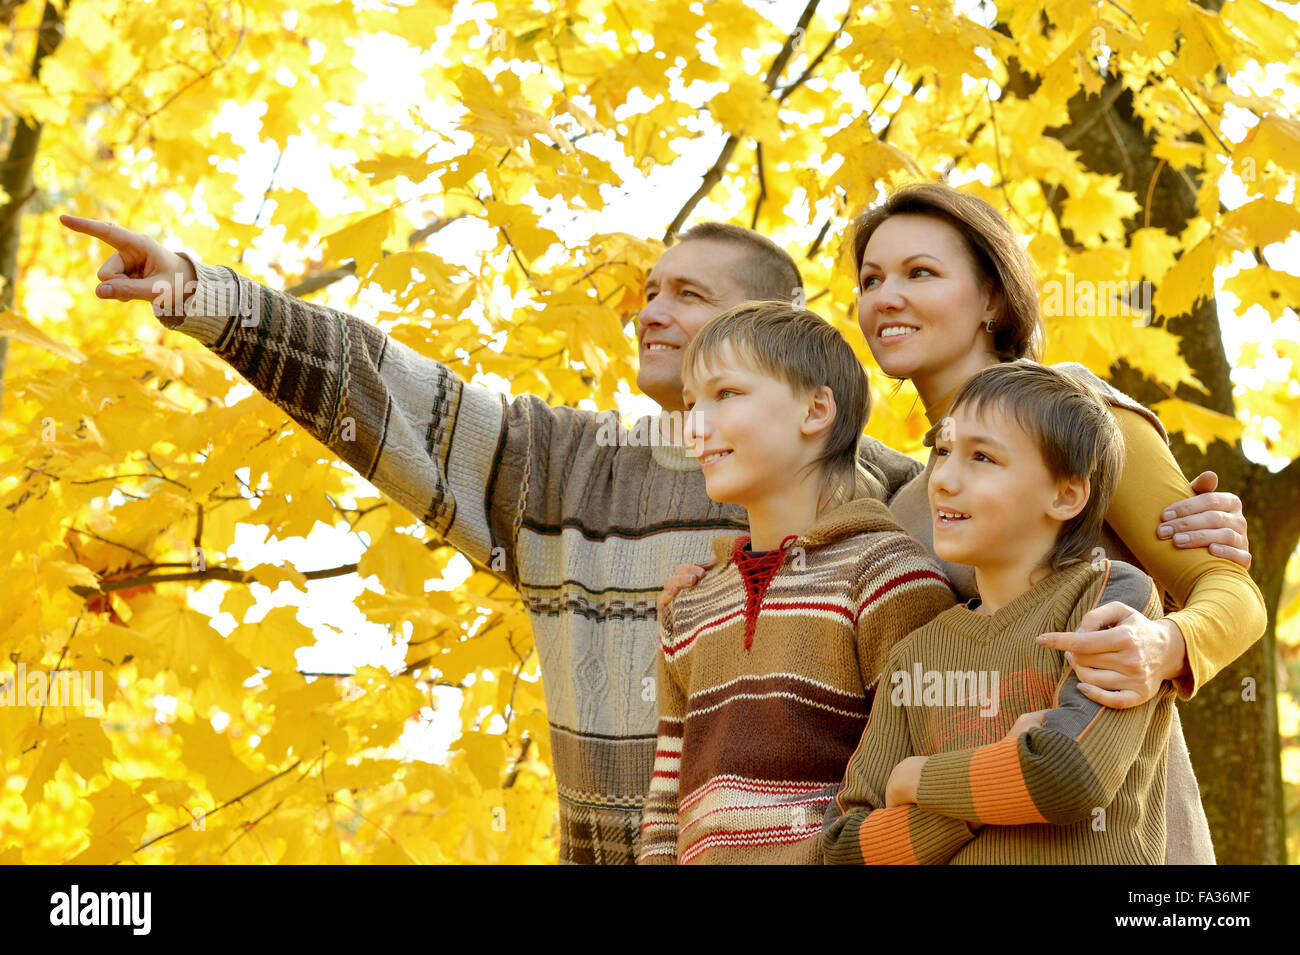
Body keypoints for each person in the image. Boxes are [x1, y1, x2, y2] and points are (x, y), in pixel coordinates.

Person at [59, 211, 1247, 864]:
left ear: (786, 354)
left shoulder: (906, 512)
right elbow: (387, 390)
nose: (652, 312)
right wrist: (211, 295)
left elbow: (971, 737)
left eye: (692, 297)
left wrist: (1182, 591)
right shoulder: (577, 471)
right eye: (649, 293)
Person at [851, 183, 1268, 862]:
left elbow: (1231, 594)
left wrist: (1163, 645)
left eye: (919, 272)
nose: (885, 296)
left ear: (991, 296)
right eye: (871, 278)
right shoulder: (907, 500)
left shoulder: (1078, 411)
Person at [824, 362, 1185, 863]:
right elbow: (846, 848)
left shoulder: (1110, 597)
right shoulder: (915, 653)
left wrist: (916, 778)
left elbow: (1068, 775)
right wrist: (999, 773)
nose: (945, 479)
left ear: (1065, 495)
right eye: (943, 452)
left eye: (982, 457)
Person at [637, 303, 956, 864]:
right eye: (690, 405)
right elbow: (666, 801)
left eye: (726, 394)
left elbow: (929, 778)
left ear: (815, 409)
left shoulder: (887, 577)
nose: (695, 425)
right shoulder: (690, 604)